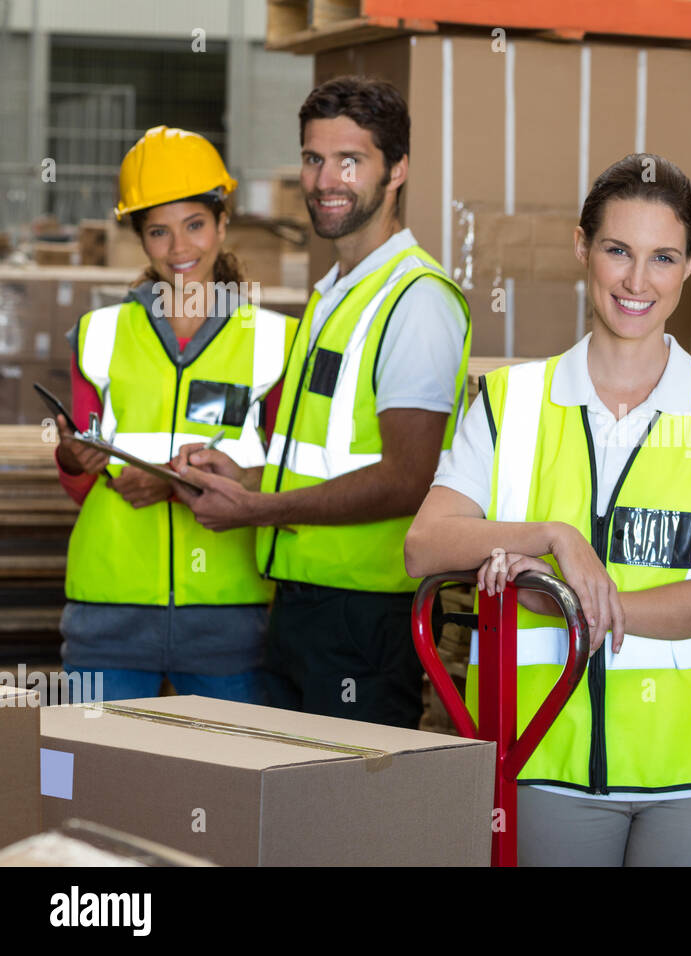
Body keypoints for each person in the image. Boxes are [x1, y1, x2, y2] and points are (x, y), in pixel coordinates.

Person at [405, 153, 691, 866]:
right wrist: (555, 537)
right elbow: (424, 545)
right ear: (582, 248)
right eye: (617, 251)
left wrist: (561, 600)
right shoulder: (510, 403)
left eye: (663, 258)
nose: (637, 282)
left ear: (690, 263)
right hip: (544, 750)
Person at [171, 76, 471, 730]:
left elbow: (407, 478)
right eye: (313, 159)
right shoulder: (336, 292)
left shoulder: (415, 300)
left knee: (347, 821)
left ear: (397, 171)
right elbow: (332, 454)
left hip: (364, 617)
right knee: (295, 812)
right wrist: (246, 478)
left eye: (350, 160)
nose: (325, 179)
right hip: (306, 605)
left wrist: (259, 509)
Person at [54, 126, 296, 703]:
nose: (179, 248)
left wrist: (200, 485)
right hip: (106, 609)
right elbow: (79, 480)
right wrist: (72, 457)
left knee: (234, 783)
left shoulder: (276, 341)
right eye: (158, 230)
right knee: (95, 783)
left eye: (194, 224)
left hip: (230, 614)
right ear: (139, 236)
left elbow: (289, 475)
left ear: (221, 222)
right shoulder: (99, 334)